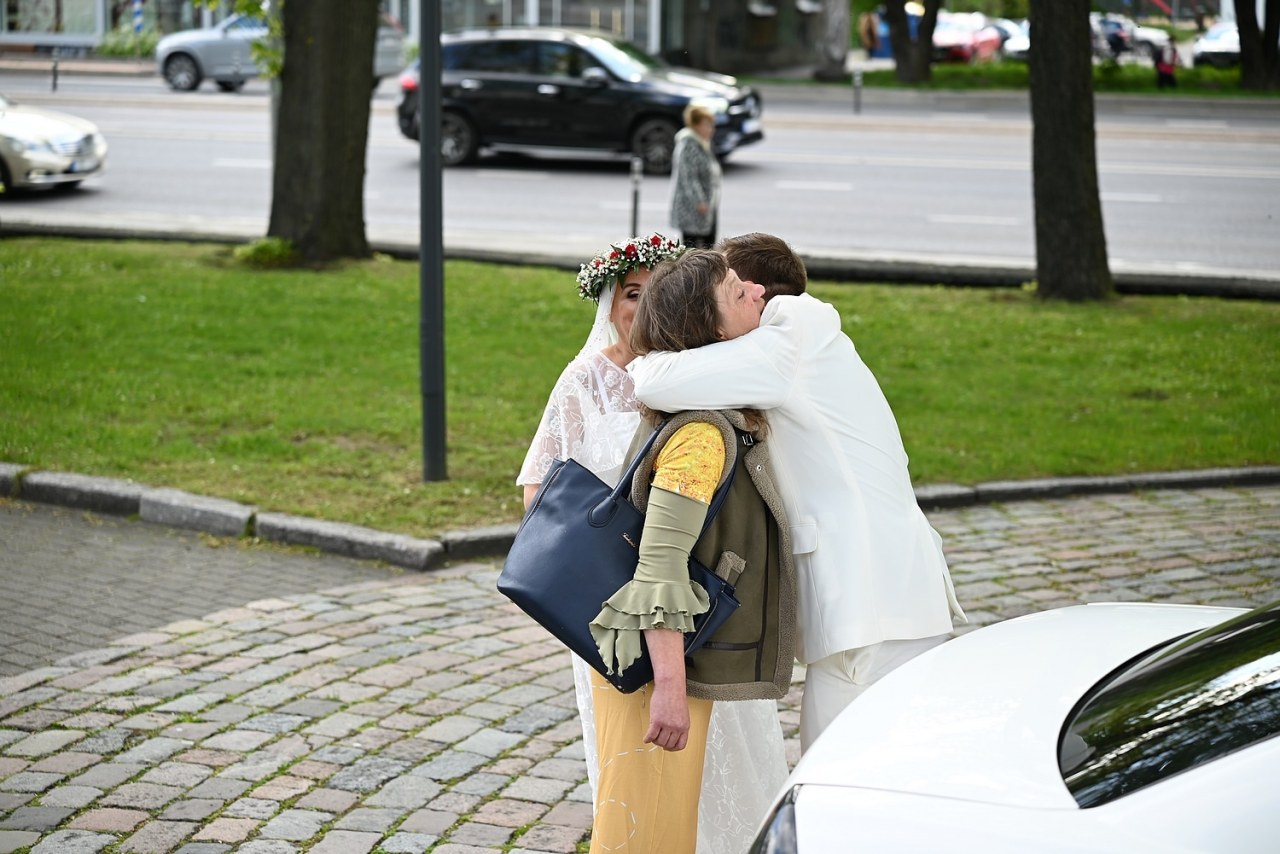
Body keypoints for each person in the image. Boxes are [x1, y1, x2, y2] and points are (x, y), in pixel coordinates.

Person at [630, 234, 966, 753]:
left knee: (833, 776)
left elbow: (655, 385)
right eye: (737, 289)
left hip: (870, 600)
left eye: (746, 285)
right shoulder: (789, 350)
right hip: (883, 596)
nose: (755, 294)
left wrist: (639, 359)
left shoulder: (792, 327)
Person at [516, 235, 788, 854]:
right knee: (638, 771)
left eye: (653, 293)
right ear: (609, 303)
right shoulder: (597, 382)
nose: (640, 308)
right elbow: (543, 486)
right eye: (630, 294)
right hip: (623, 592)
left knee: (718, 752)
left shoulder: (691, 387)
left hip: (699, 601)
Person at [669, 103, 722, 249]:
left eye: (712, 124)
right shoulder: (688, 145)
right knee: (693, 248)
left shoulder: (702, 143)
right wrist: (700, 201)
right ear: (695, 125)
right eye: (707, 124)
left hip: (707, 203)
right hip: (694, 206)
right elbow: (688, 177)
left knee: (707, 245)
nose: (711, 129)